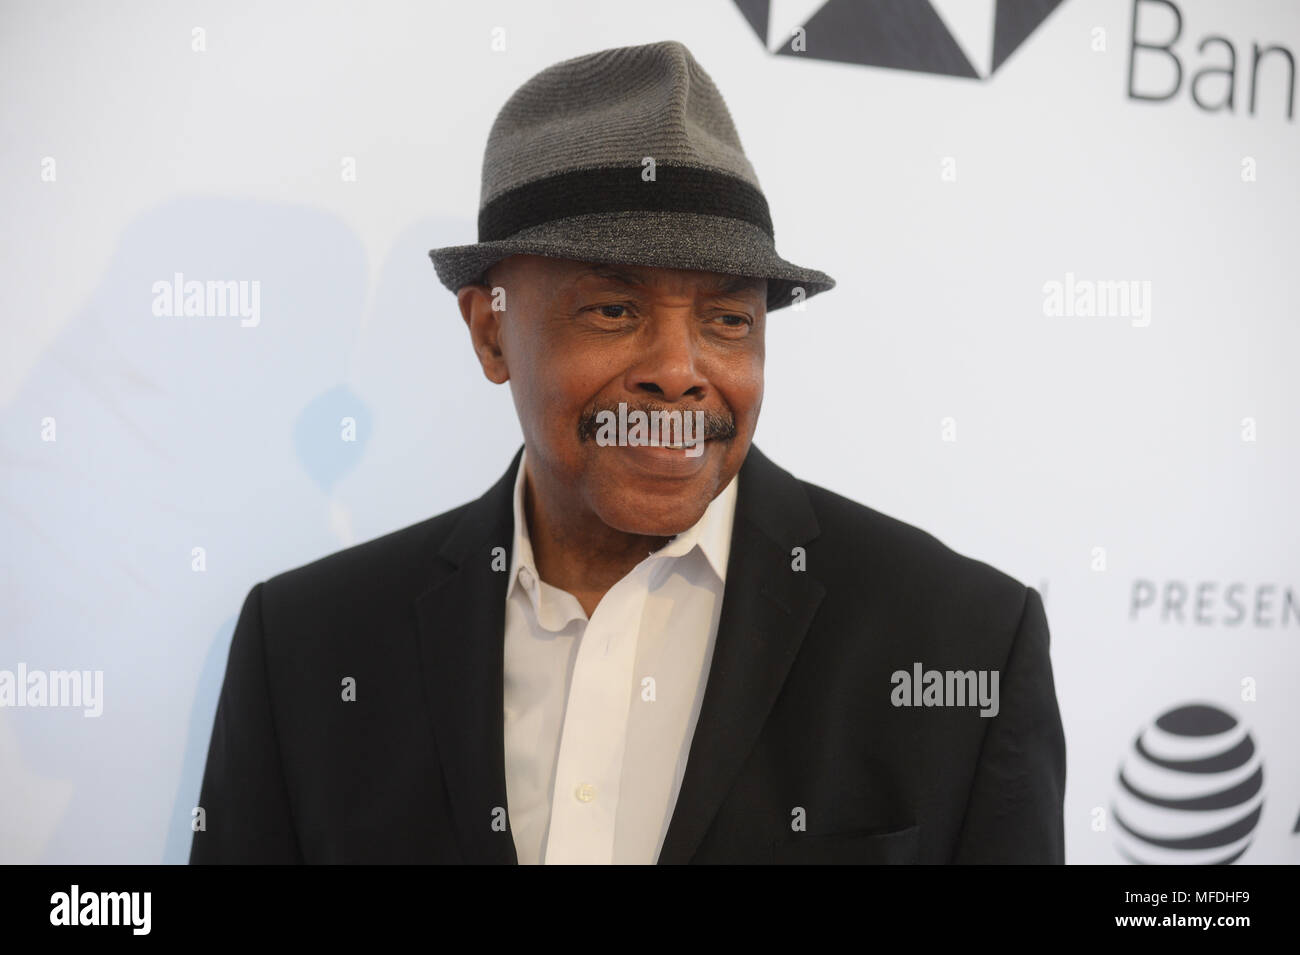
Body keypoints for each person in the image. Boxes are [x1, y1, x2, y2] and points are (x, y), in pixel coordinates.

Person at [190, 39, 1065, 865]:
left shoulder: (966, 646)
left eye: (729, 320)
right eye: (614, 310)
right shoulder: (306, 648)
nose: (679, 374)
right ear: (490, 331)